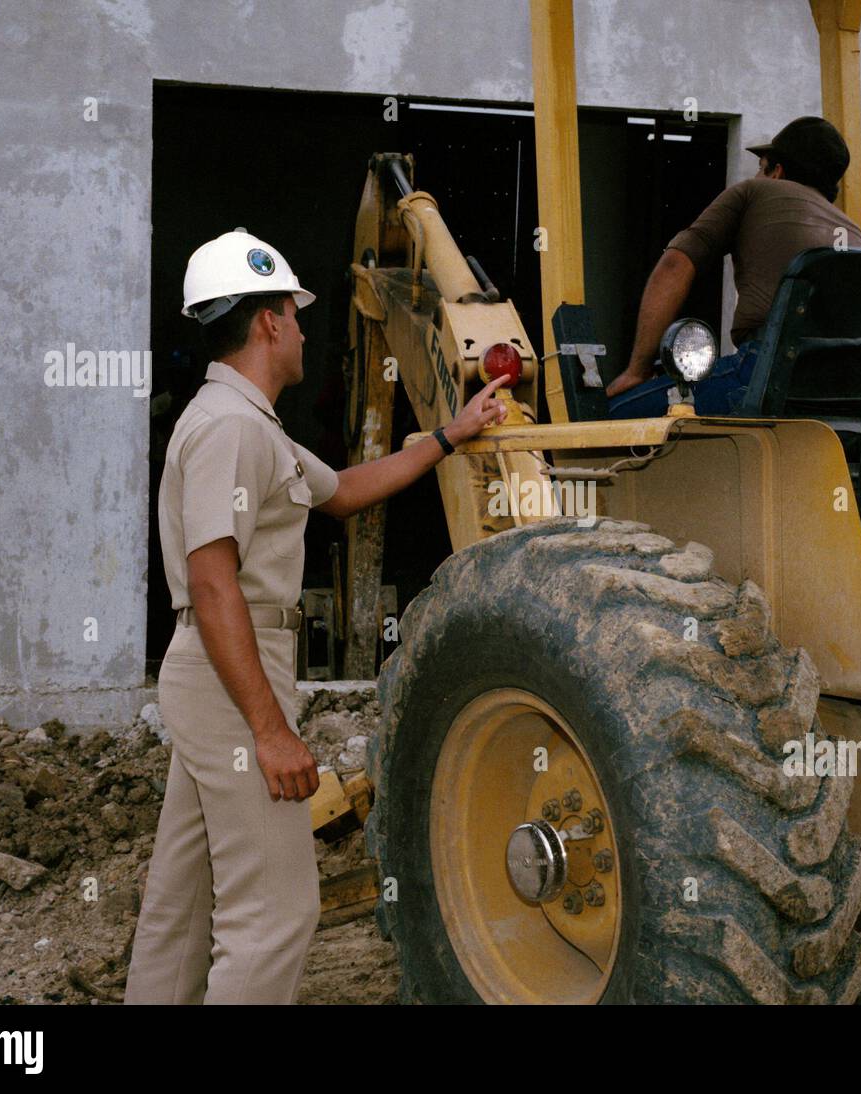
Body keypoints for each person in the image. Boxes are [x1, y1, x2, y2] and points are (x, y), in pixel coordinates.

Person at [124, 229, 507, 1004]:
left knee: (184, 903)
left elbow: (346, 491)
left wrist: (447, 435)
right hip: (234, 670)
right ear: (268, 322)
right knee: (275, 915)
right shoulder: (230, 428)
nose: (303, 328)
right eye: (294, 314)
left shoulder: (249, 425)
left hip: (218, 672)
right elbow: (213, 584)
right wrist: (269, 730)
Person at [605, 116, 861, 414]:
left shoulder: (754, 193)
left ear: (776, 171)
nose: (757, 175)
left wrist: (637, 370)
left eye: (761, 168)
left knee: (614, 413)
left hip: (768, 375)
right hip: (853, 396)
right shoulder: (860, 237)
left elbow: (674, 265)